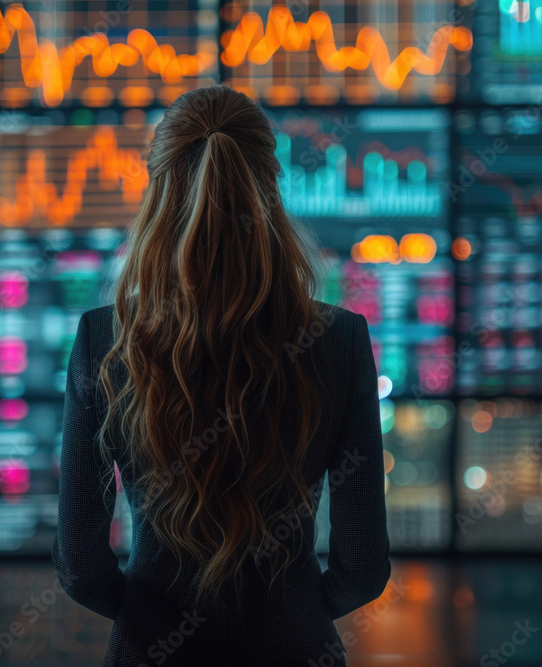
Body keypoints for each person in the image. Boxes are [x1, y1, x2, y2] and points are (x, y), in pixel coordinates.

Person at [52, 84, 391, 666]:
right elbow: (361, 568)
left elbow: (81, 565)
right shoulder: (338, 342)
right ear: (269, 186)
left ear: (157, 190)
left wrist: (145, 614)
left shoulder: (105, 341)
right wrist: (299, 611)